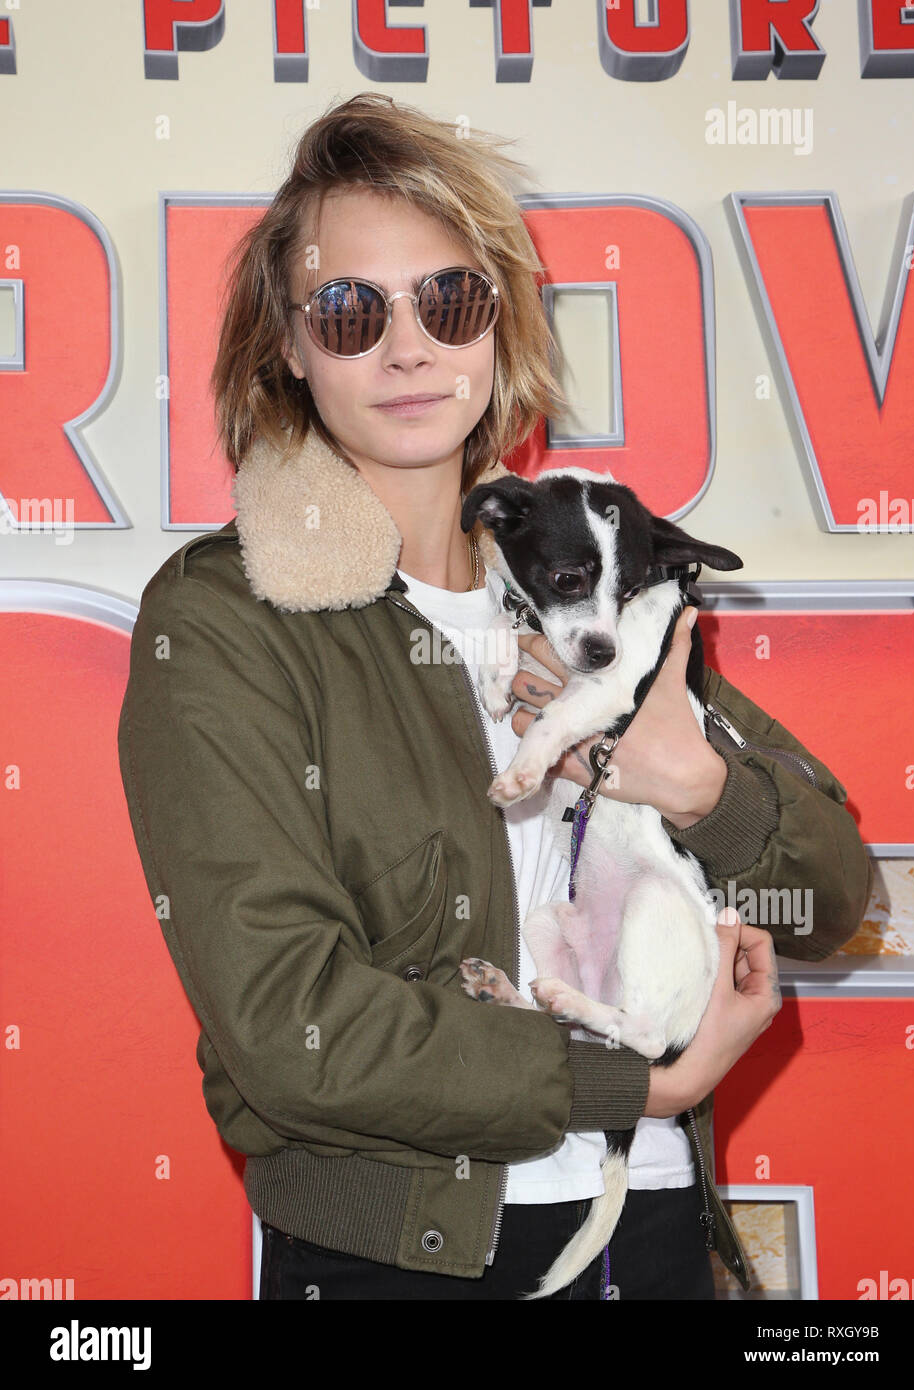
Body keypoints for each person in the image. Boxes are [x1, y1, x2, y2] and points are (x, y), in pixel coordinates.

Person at [117, 93, 872, 1301]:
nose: (408, 349)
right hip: (401, 1255)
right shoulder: (225, 618)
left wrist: (695, 782)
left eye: (449, 301)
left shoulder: (592, 586)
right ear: (287, 348)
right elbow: (286, 1022)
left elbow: (833, 896)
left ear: (499, 325)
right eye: (351, 312)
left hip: (652, 1223)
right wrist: (637, 1083)